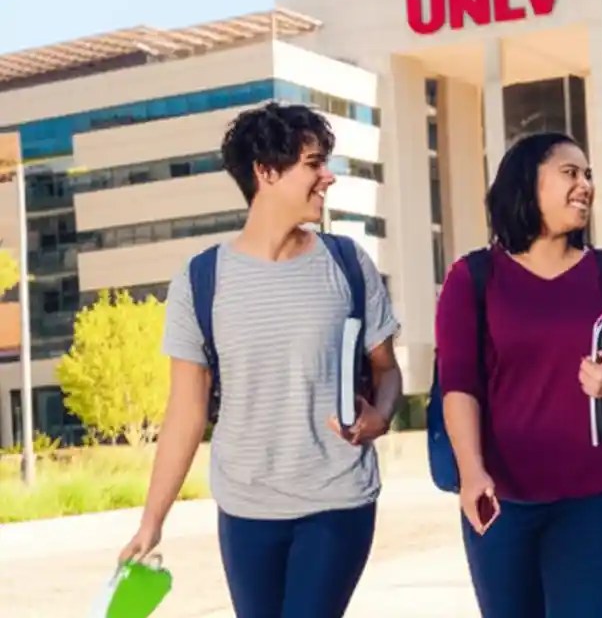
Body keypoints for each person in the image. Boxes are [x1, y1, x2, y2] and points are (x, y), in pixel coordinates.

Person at [118, 102, 403, 617]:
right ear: (265, 172)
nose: (327, 178)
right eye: (314, 164)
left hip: (336, 500)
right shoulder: (201, 280)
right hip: (246, 508)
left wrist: (379, 417)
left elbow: (386, 369)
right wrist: (151, 520)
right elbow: (185, 411)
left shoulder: (346, 265)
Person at [434, 131, 602, 617]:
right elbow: (459, 385)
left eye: (588, 175)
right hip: (502, 504)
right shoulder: (472, 277)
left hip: (598, 502)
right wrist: (472, 473)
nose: (584, 184)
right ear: (526, 184)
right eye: (569, 172)